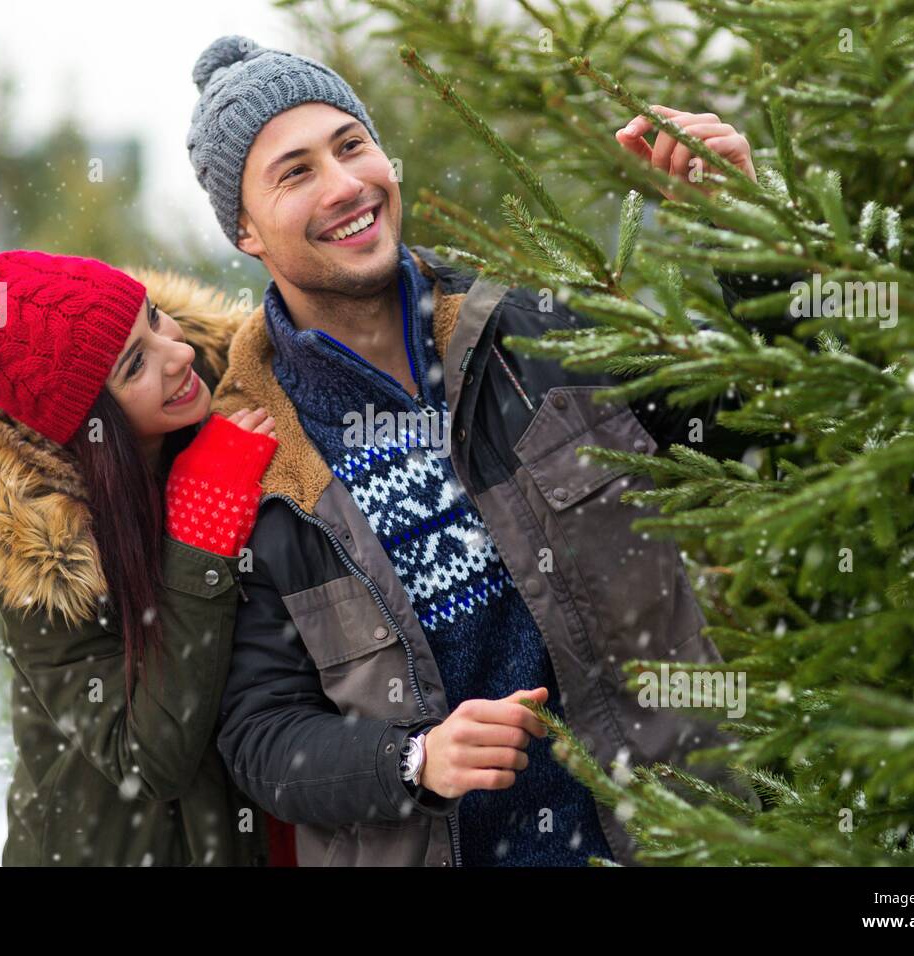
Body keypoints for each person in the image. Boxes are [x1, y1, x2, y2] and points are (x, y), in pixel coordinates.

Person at [186, 35, 791, 866]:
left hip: (675, 844)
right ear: (246, 232)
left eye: (351, 145)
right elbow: (260, 735)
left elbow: (760, 423)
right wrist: (414, 761)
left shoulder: (534, 334)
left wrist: (748, 233)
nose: (345, 185)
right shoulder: (249, 462)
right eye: (294, 173)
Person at [0, 242, 290, 865]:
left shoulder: (235, 406)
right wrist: (199, 531)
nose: (179, 353)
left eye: (155, 318)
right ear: (86, 426)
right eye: (134, 366)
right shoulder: (45, 569)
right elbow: (151, 759)